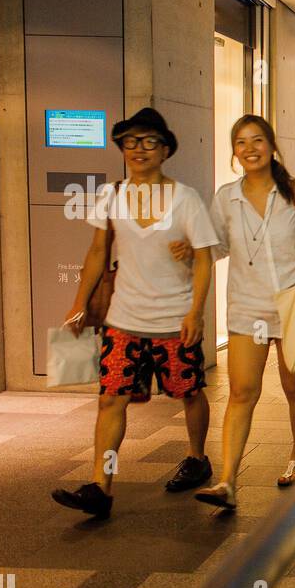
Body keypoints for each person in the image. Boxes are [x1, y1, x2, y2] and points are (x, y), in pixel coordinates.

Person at [51, 108, 218, 519]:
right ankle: (100, 486)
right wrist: (78, 303)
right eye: (130, 141)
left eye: (148, 141)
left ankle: (197, 458)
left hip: (174, 319)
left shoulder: (185, 199)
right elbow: (97, 251)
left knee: (189, 392)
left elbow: (203, 257)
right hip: (123, 320)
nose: (138, 149)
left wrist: (196, 312)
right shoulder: (111, 195)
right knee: (111, 400)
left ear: (165, 150)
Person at [194, 114, 295, 512]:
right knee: (241, 393)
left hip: (293, 305)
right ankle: (227, 481)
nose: (249, 148)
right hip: (247, 308)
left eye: (257, 140)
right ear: (234, 152)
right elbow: (216, 247)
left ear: (272, 146)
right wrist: (190, 249)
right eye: (241, 142)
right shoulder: (226, 197)